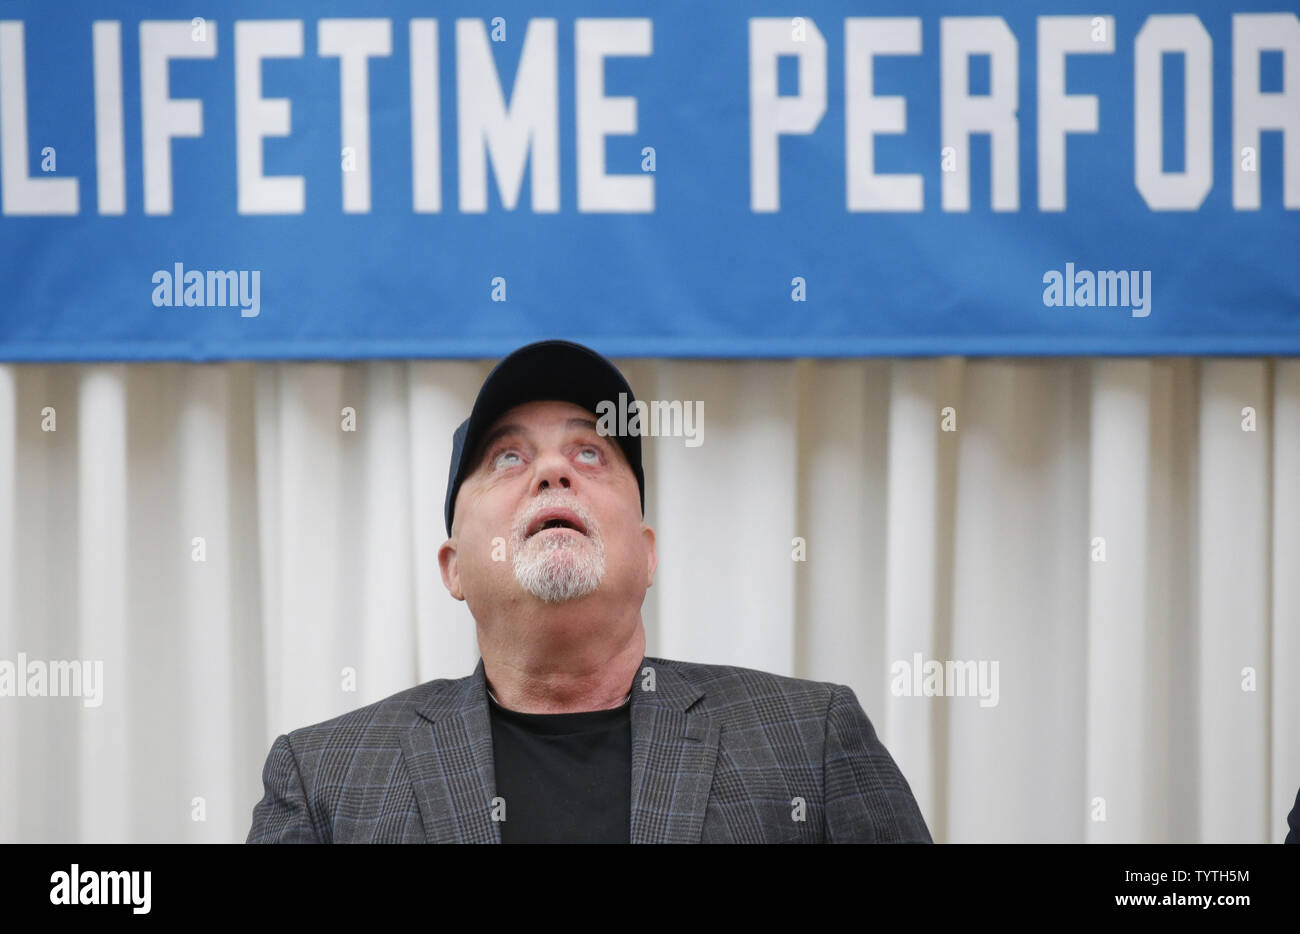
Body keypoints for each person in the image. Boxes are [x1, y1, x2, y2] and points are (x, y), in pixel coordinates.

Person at [246, 339, 931, 843]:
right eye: (507, 457)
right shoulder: (323, 782)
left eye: (591, 454)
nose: (552, 471)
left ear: (648, 552)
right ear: (453, 567)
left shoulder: (809, 740)